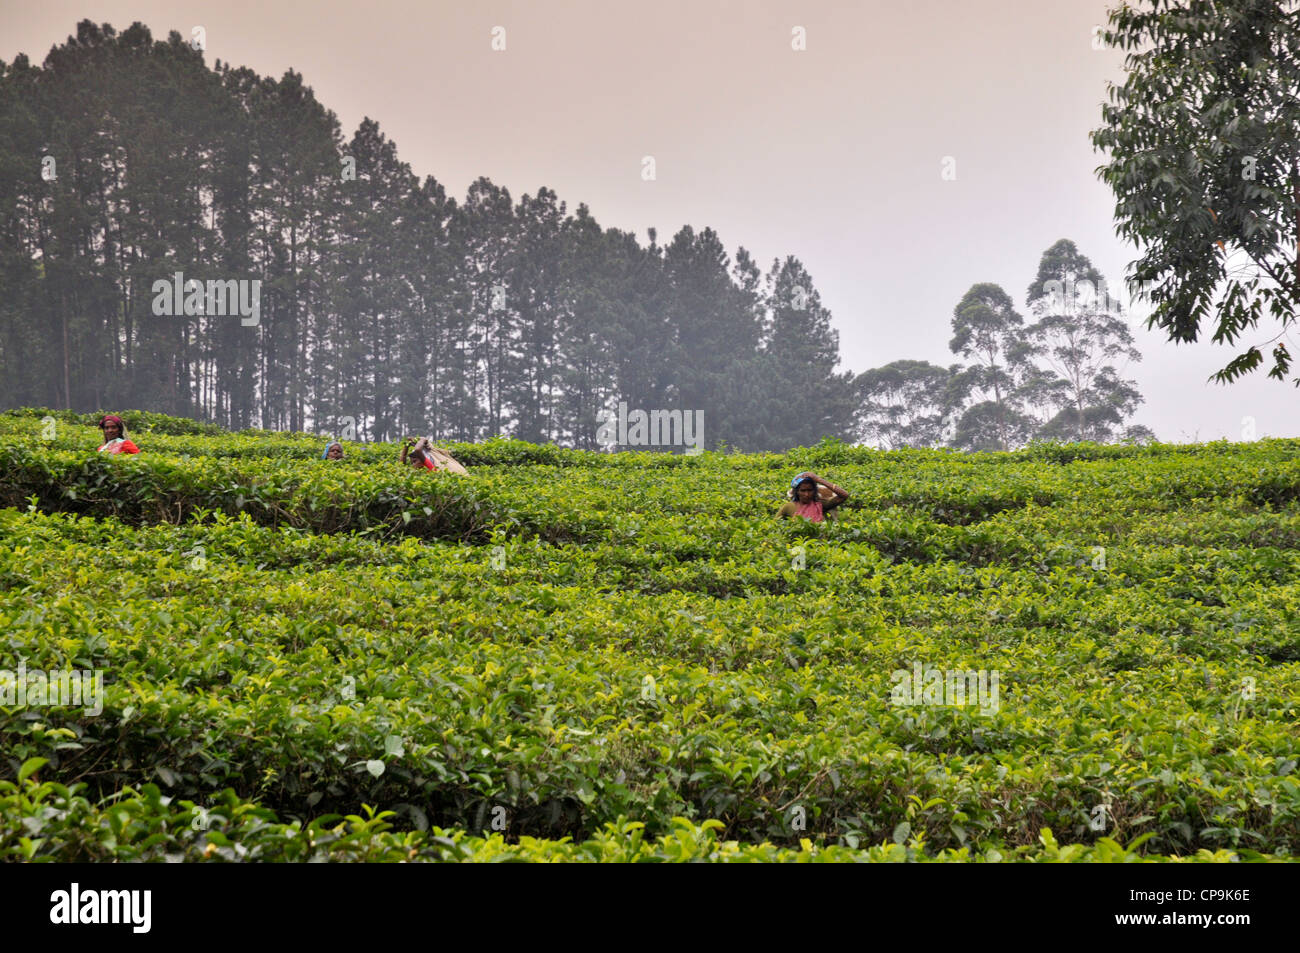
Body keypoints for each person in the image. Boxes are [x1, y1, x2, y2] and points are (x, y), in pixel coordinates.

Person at [776, 471, 848, 523]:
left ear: (815, 491)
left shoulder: (821, 504)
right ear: (797, 492)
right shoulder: (788, 507)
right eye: (803, 491)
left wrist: (819, 480)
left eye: (810, 490)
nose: (806, 494)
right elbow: (775, 525)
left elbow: (844, 495)